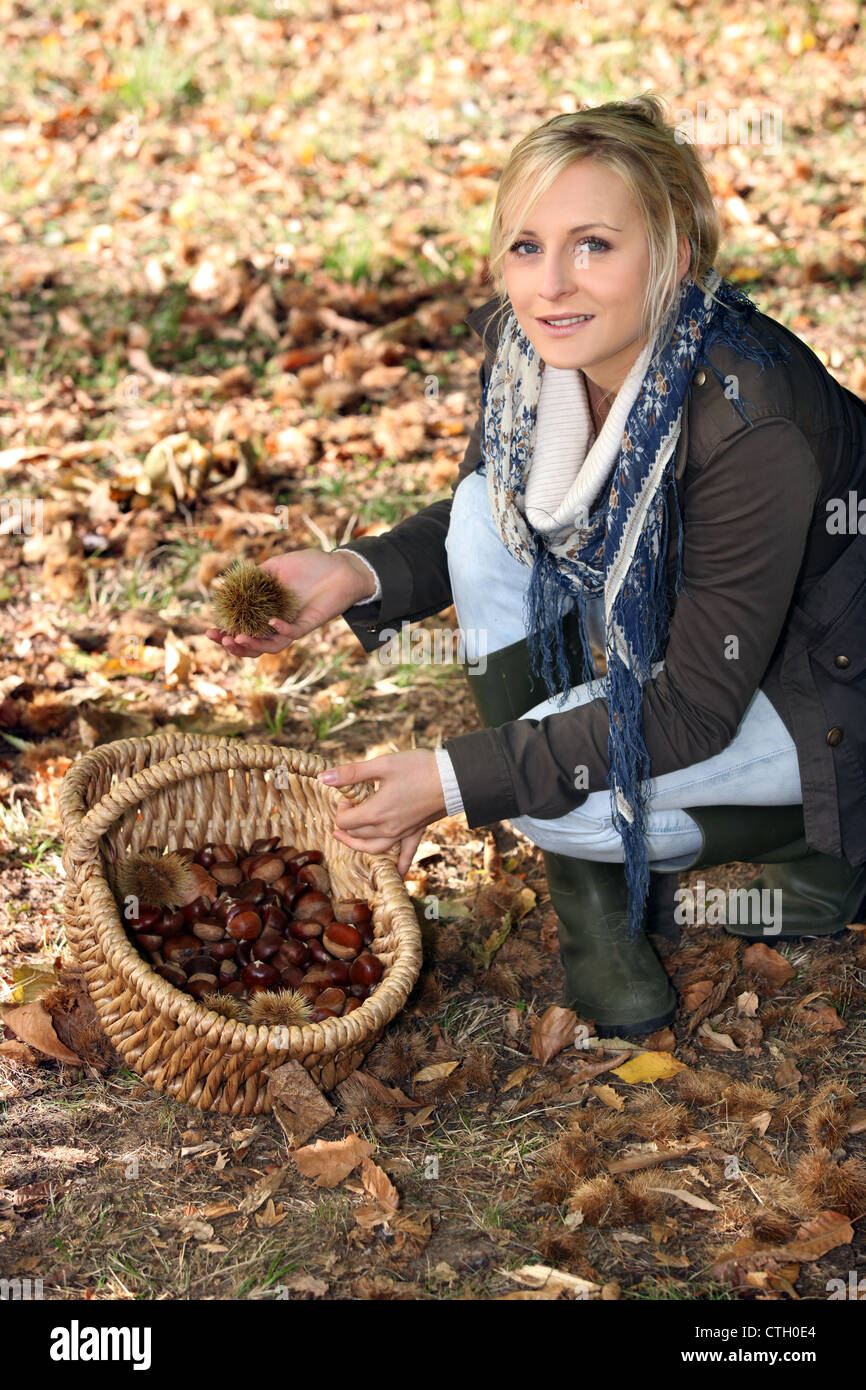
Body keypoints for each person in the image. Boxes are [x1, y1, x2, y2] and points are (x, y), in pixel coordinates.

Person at [207, 94, 866, 1037]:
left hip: (828, 687)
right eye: (526, 246)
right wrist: (355, 572)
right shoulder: (535, 346)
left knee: (546, 802)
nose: (552, 283)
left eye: (594, 244)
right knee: (484, 517)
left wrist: (451, 781)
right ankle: (596, 898)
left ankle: (828, 840)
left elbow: (690, 707)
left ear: (676, 252)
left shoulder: (750, 414)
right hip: (713, 643)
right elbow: (492, 513)